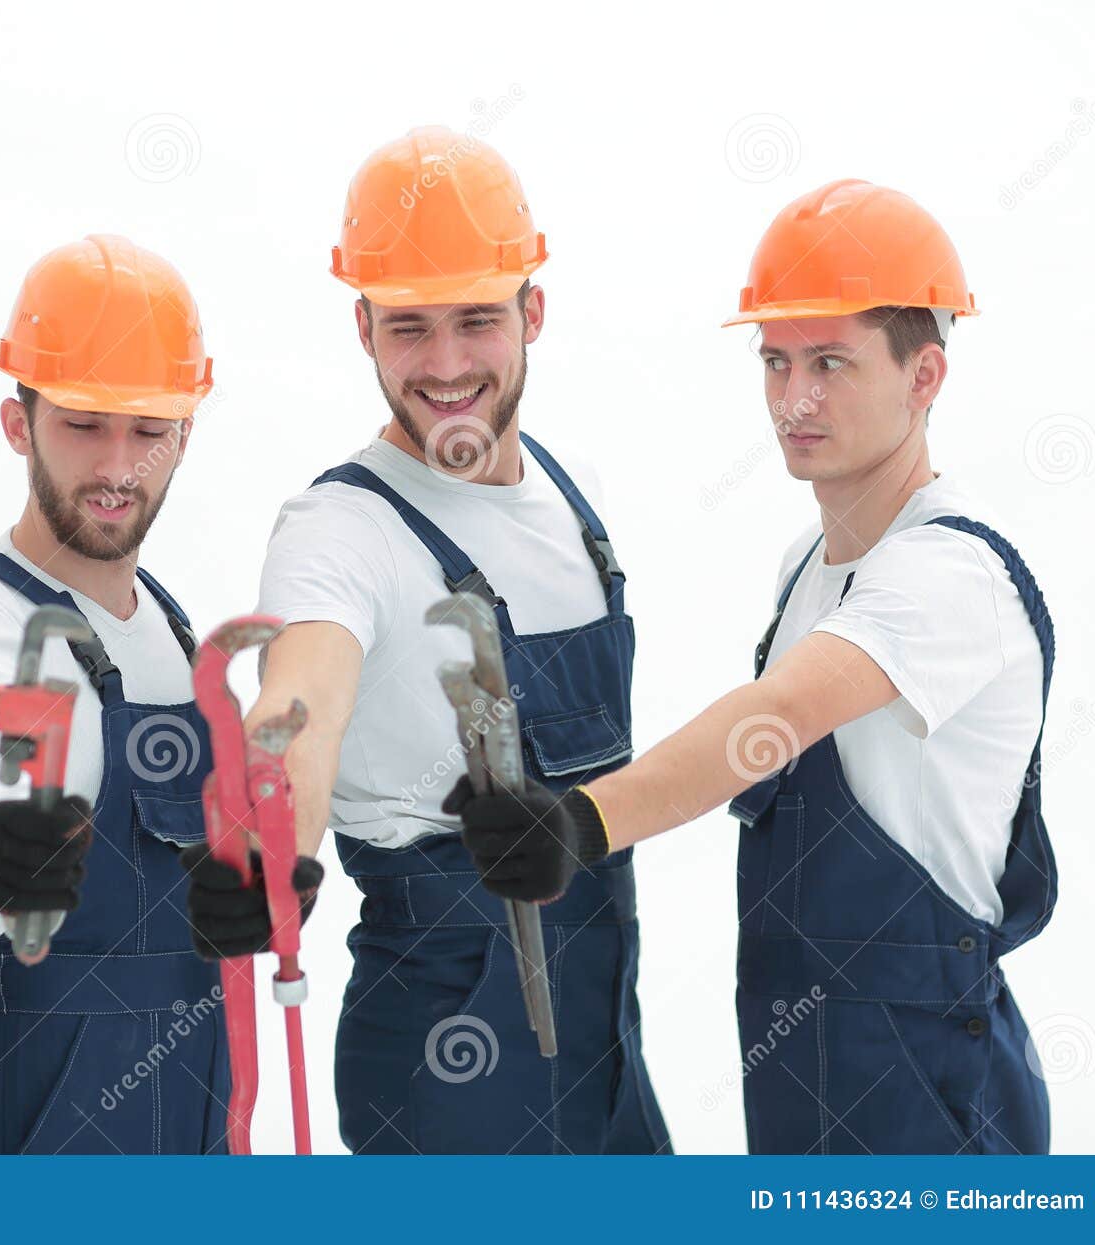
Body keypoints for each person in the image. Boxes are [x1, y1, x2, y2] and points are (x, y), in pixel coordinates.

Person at [449, 179, 1057, 1155]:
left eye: (830, 363)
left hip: (930, 1112)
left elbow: (773, 716)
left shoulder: (947, 577)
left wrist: (581, 822)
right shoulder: (811, 573)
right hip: (801, 1094)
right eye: (775, 363)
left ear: (925, 374)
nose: (793, 399)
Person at [184, 128, 671, 1155]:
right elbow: (298, 703)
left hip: (606, 1051)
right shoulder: (340, 530)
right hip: (448, 1067)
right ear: (361, 327)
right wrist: (267, 842)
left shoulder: (570, 504)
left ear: (532, 312)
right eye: (409, 327)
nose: (445, 367)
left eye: (476, 322)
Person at [0, 235, 230, 1154]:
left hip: (204, 1100)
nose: (118, 465)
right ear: (19, 422)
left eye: (148, 429)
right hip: (40, 1113)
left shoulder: (172, 631)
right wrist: (11, 822)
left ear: (186, 434)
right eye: (84, 423)